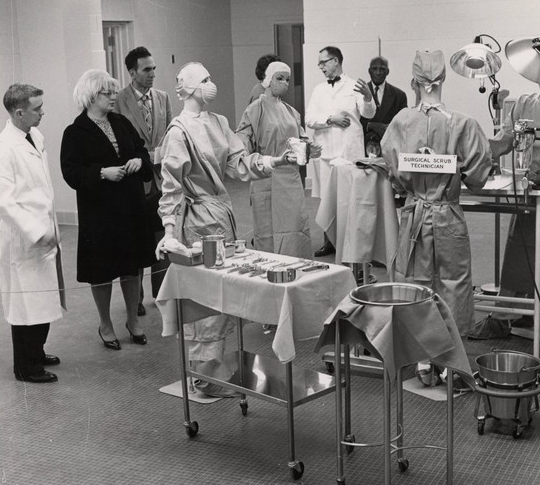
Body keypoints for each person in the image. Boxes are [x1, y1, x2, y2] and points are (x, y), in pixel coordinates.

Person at [155, 62, 296, 396]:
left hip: (222, 218)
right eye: (204, 80)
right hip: (198, 221)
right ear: (187, 88)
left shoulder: (218, 122)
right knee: (204, 303)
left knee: (224, 297)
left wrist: (275, 161)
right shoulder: (178, 131)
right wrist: (170, 232)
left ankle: (214, 369)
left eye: (210, 76)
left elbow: (240, 163)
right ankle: (204, 376)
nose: (211, 83)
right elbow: (172, 187)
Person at [470, 55, 540, 340]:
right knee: (520, 251)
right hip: (524, 192)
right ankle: (518, 312)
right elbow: (506, 138)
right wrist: (479, 151)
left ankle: (507, 315)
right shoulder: (524, 103)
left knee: (535, 253)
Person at [380, 50, 492, 339]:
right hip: (448, 216)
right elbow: (479, 177)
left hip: (415, 213)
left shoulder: (400, 123)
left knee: (414, 282)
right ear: (443, 78)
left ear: (413, 82)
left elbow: (397, 178)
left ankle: (420, 357)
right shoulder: (464, 123)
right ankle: (449, 360)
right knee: (453, 283)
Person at [60, 69, 156, 351]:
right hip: (99, 212)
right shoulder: (75, 132)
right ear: (91, 96)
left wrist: (139, 161)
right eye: (107, 93)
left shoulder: (121, 122)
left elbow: (141, 151)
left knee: (131, 266)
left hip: (129, 206)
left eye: (114, 91)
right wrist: (101, 173)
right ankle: (105, 323)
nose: (114, 96)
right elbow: (71, 172)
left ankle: (132, 321)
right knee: (101, 271)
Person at [0, 84, 66, 383]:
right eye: (37, 109)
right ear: (19, 112)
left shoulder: (35, 136)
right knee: (24, 304)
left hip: (42, 231)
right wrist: (36, 232)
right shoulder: (3, 149)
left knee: (43, 300)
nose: (42, 112)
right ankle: (25, 367)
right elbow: (4, 202)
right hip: (22, 238)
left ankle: (36, 351)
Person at [113, 46, 174, 317]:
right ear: (132, 72)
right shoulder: (118, 101)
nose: (152, 74)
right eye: (146, 69)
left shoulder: (162, 98)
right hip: (134, 180)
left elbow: (171, 137)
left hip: (161, 180)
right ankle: (134, 298)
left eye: (154, 69)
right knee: (137, 240)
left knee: (163, 237)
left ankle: (162, 294)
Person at [235, 61, 320, 257]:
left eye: (287, 79)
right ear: (268, 79)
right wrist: (243, 156)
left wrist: (309, 148)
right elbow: (242, 138)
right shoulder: (256, 108)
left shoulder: (291, 111)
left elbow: (301, 137)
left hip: (290, 180)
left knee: (294, 229)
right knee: (268, 233)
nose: (284, 83)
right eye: (279, 78)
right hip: (267, 176)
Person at [305, 45, 376, 256]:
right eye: (319, 64)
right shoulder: (319, 90)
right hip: (326, 154)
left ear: (335, 60)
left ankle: (351, 243)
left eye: (323, 62)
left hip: (349, 153)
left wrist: (368, 97)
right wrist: (330, 119)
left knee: (350, 198)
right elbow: (309, 119)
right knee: (327, 199)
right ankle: (329, 243)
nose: (320, 67)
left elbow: (368, 113)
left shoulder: (354, 86)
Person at [360, 56, 408, 156]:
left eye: (382, 69)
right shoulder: (358, 93)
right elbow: (354, 122)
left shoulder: (399, 95)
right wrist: (372, 125)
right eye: (374, 69)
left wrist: (387, 128)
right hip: (363, 148)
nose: (378, 72)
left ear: (388, 72)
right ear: (369, 71)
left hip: (389, 150)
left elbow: (403, 126)